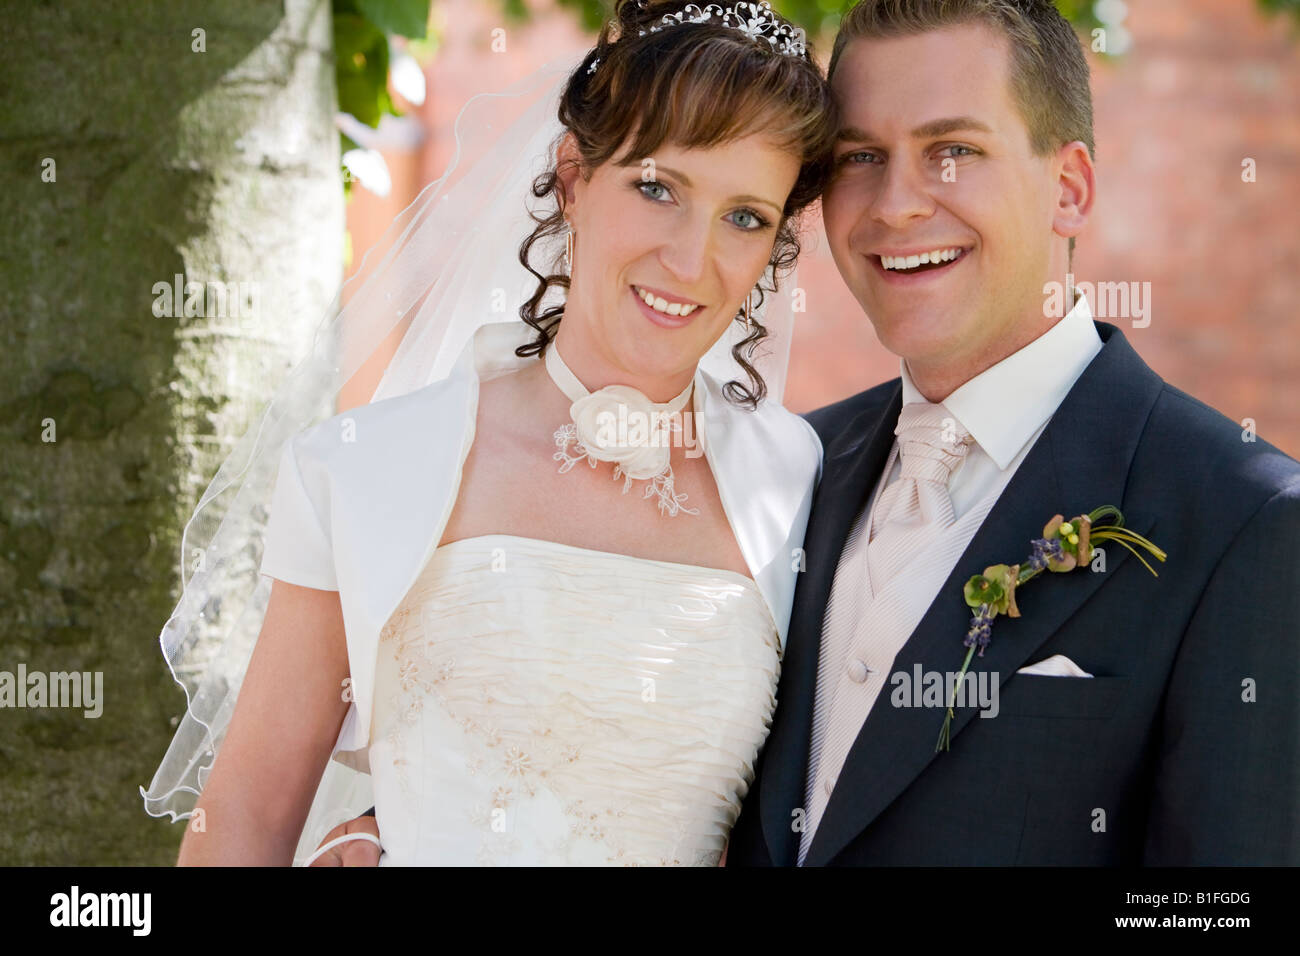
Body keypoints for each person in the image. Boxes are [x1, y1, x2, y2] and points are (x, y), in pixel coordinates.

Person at [145, 0, 838, 865]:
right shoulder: (366, 468)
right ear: (576, 178)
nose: (692, 260)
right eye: (658, 188)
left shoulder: (800, 478)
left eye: (745, 217)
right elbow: (240, 823)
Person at [723, 0, 1300, 866]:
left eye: (953, 150)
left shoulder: (1244, 521)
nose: (896, 204)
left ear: (1069, 189)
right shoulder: (793, 466)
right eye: (861, 157)